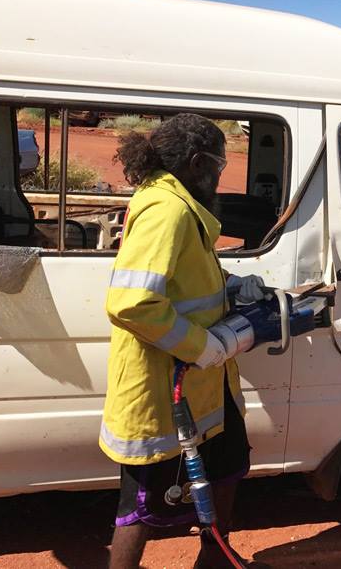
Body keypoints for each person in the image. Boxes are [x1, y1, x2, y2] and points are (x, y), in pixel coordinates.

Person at [101, 113, 267, 569]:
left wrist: (232, 286)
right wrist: (203, 347)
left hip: (206, 390)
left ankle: (214, 561)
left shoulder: (178, 203)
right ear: (197, 163)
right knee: (142, 506)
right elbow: (131, 303)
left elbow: (181, 279)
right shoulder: (167, 209)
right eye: (219, 165)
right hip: (166, 387)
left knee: (227, 468)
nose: (219, 176)